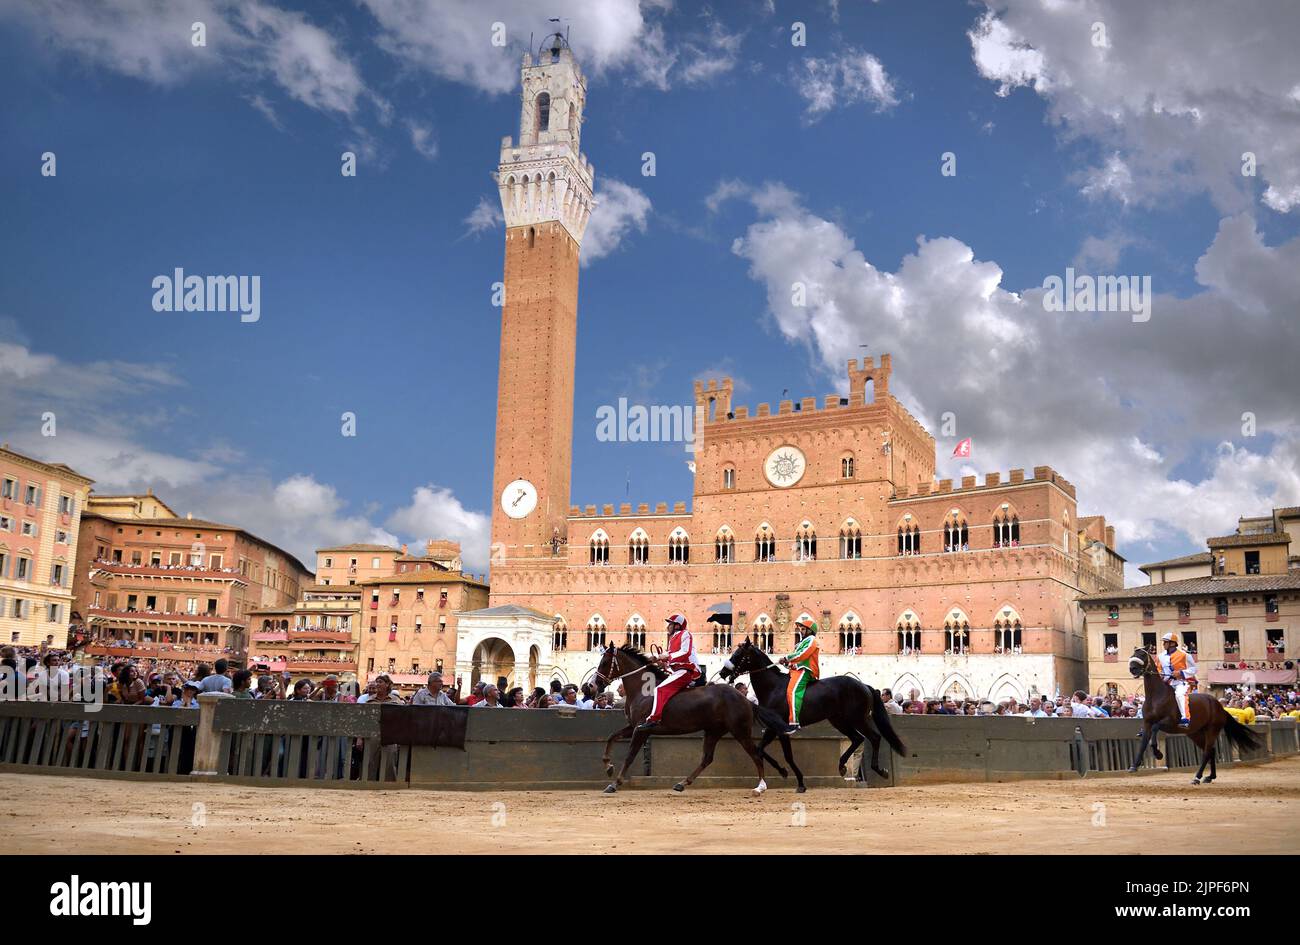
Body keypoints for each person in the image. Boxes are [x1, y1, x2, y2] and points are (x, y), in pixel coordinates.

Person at [635, 613, 699, 732]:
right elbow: (670, 660)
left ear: (677, 626)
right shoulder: (672, 639)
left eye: (670, 624)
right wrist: (660, 661)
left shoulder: (685, 634)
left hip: (685, 670)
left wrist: (665, 656)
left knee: (659, 689)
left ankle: (654, 719)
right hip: (677, 671)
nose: (667, 627)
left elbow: (685, 652)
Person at [779, 617, 820, 733]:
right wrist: (788, 664)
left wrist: (786, 658)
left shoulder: (812, 640)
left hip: (805, 670)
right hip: (797, 669)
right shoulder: (802, 642)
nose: (800, 631)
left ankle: (794, 723)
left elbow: (802, 655)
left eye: (803, 629)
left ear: (809, 631)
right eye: (800, 629)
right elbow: (796, 660)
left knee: (792, 691)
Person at [1158, 632, 1197, 724]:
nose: (1163, 644)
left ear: (1172, 643)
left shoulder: (1185, 655)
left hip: (1180, 682)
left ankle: (1185, 718)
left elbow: (1194, 669)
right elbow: (1158, 669)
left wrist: (1181, 673)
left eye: (1165, 642)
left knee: (1179, 695)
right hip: (1166, 683)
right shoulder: (1160, 656)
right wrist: (1160, 674)